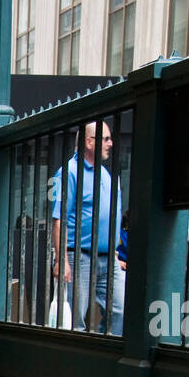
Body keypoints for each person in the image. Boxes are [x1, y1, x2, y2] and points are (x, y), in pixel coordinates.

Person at [50, 121, 125, 336]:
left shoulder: (107, 175)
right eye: (106, 139)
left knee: (120, 311)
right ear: (89, 142)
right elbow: (59, 218)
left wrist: (114, 250)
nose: (110, 144)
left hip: (109, 258)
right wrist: (61, 258)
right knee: (75, 321)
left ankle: (105, 353)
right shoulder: (67, 173)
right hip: (79, 257)